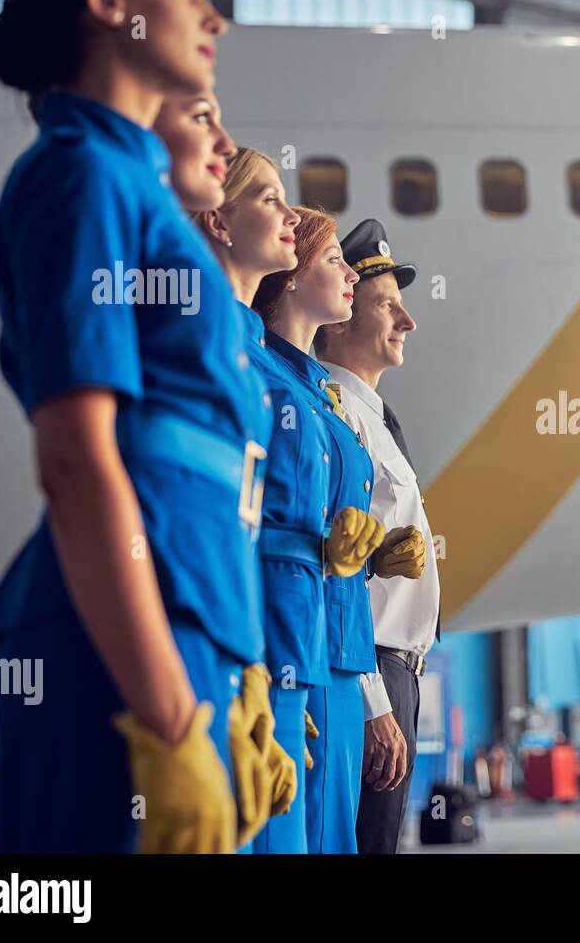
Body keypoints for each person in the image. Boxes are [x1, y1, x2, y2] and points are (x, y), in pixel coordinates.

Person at [0, 0, 277, 853]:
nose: (214, 15)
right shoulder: (83, 172)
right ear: (110, 3)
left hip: (181, 617)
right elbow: (75, 460)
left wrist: (240, 671)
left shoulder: (131, 186)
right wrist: (174, 721)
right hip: (126, 636)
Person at [153, 117, 302, 848]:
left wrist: (255, 670)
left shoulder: (237, 335)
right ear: (217, 218)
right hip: (184, 636)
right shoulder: (194, 319)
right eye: (269, 198)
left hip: (227, 638)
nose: (290, 215)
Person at [251, 206, 392, 854]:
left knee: (328, 835)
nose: (348, 273)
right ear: (287, 277)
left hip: (333, 638)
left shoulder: (314, 388)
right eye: (333, 259)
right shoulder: (262, 376)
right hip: (292, 639)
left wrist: (377, 549)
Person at [319, 218, 438, 854]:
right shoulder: (341, 418)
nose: (407, 321)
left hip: (396, 671)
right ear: (340, 318)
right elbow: (339, 578)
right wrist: (374, 702)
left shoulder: (372, 416)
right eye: (387, 305)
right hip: (373, 668)